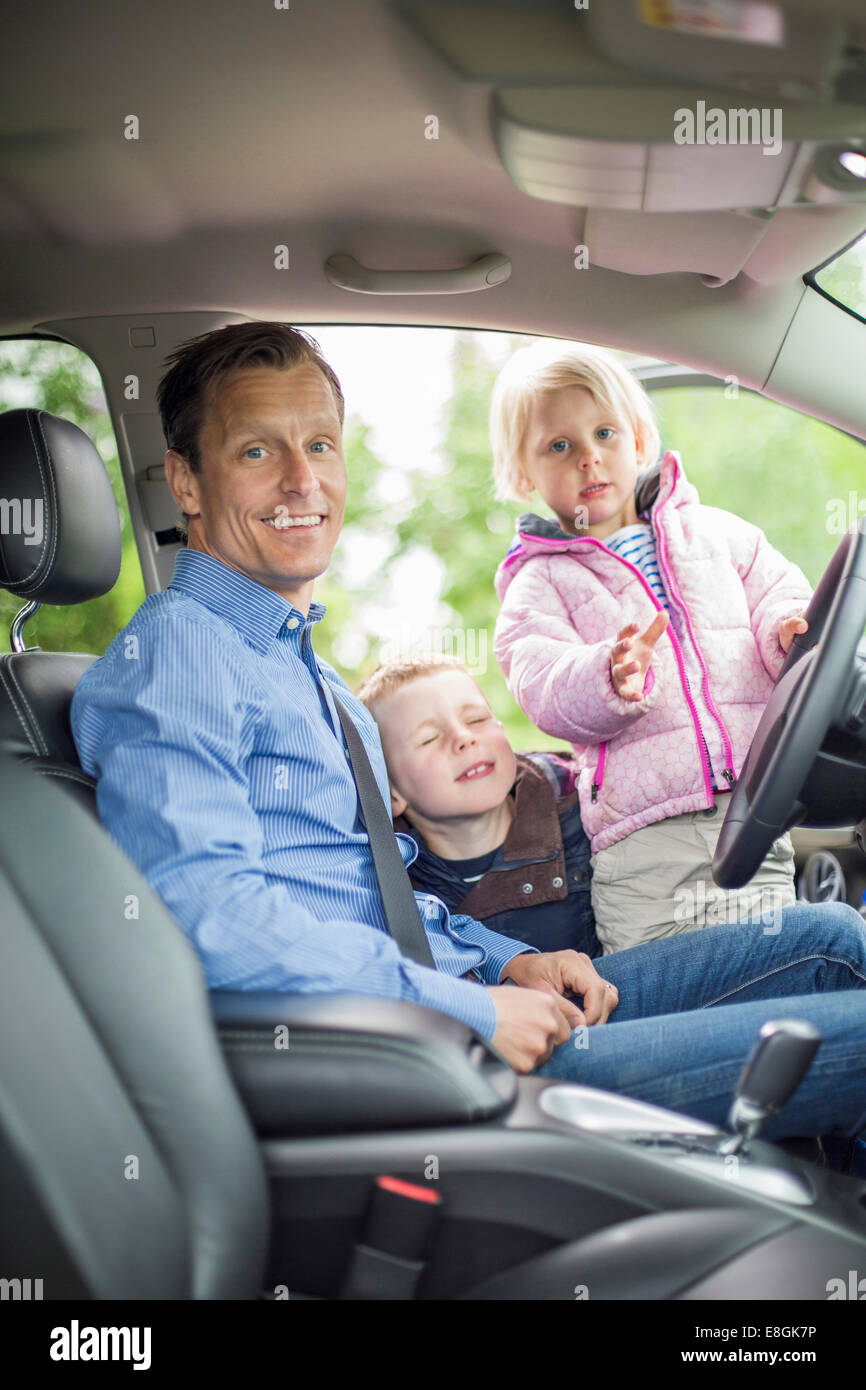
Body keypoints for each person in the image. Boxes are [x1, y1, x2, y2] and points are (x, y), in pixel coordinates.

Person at [69, 321, 866, 1146]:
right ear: (186, 483)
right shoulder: (180, 654)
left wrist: (501, 961)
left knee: (831, 943)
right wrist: (470, 1006)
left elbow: (366, 895)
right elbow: (210, 917)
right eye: (257, 453)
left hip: (445, 1012)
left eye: (320, 445)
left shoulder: (302, 668)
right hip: (416, 1064)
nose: (304, 480)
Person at [490, 339, 813, 953]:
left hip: (749, 812)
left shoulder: (719, 533)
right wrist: (606, 675)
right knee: (663, 985)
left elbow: (779, 592)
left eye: (604, 433)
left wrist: (787, 630)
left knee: (774, 970)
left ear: (639, 439)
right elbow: (542, 681)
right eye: (560, 446)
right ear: (523, 475)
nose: (589, 458)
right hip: (638, 841)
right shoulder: (537, 584)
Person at [356, 654, 600, 958]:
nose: (464, 737)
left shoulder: (586, 802)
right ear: (391, 793)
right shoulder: (391, 886)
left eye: (476, 720)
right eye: (429, 738)